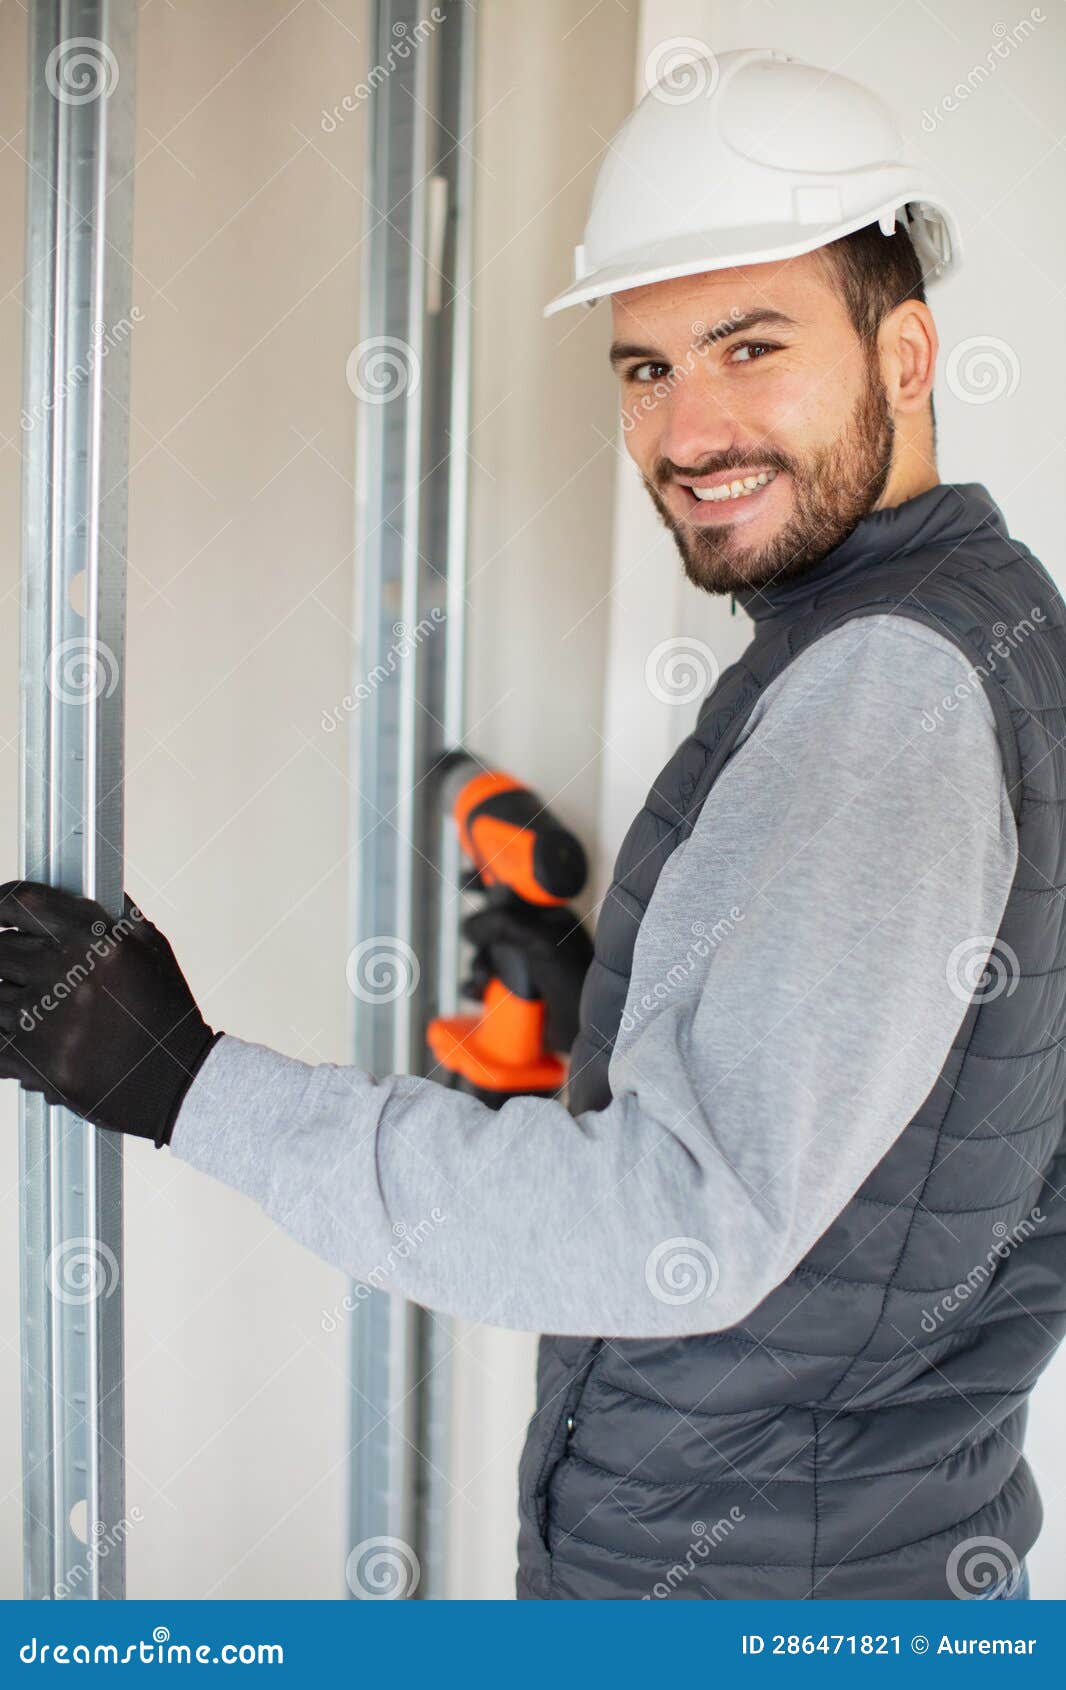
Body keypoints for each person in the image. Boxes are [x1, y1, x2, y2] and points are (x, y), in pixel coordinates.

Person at [2, 47, 1063, 1602]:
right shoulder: (979, 624)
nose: (688, 429)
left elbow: (676, 1225)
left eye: (749, 346)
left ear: (904, 355)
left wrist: (190, 1085)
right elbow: (938, 1107)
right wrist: (628, 1028)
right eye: (645, 367)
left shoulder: (880, 690)